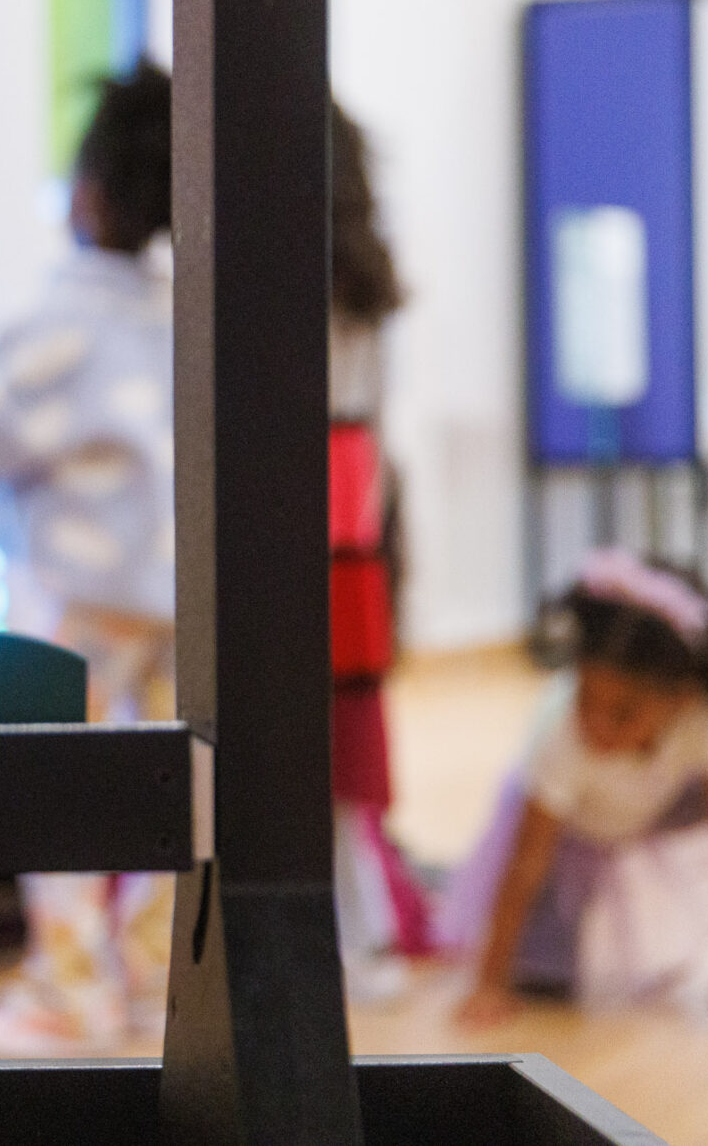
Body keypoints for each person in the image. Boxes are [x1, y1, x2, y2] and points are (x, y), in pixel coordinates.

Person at [0, 62, 176, 1058]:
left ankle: (66, 991)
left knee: (58, 790)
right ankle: (147, 983)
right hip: (177, 595)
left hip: (83, 603)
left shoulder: (59, 315)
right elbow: (85, 397)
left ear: (85, 196)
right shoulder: (169, 309)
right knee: (174, 793)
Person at [445, 552, 708, 1023]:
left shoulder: (701, 721)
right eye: (586, 700)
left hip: (659, 808)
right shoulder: (561, 739)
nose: (597, 727)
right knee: (548, 983)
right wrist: (491, 981)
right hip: (570, 837)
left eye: (623, 713)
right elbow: (526, 863)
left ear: (682, 698)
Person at [327, 100, 434, 996]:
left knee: (302, 733)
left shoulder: (290, 272)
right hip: (357, 515)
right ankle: (361, 924)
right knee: (345, 736)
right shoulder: (368, 278)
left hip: (306, 511)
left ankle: (349, 933)